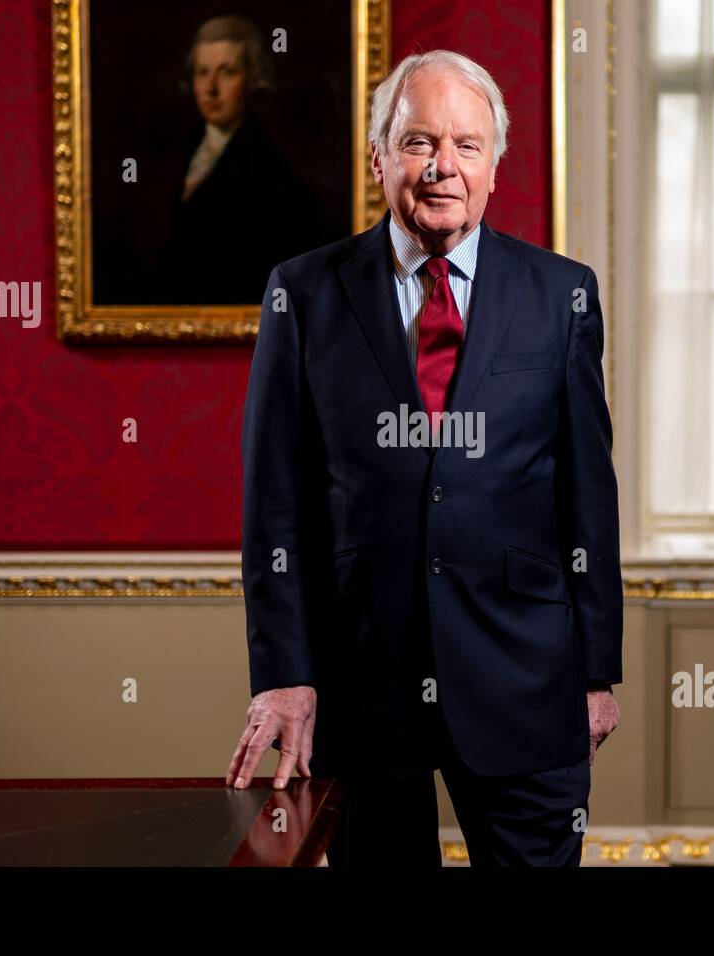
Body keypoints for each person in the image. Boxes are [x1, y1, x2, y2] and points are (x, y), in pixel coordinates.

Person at [230, 50, 622, 867]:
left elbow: (588, 494)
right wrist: (282, 673)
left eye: (466, 145)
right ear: (379, 157)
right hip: (363, 683)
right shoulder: (301, 295)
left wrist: (595, 671)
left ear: (493, 165)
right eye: (418, 143)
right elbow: (276, 502)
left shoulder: (562, 295)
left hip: (527, 678)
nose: (443, 166)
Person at [155, 15, 325, 305]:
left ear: (253, 79)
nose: (211, 88)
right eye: (202, 72)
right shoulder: (176, 150)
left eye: (227, 72)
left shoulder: (269, 171)